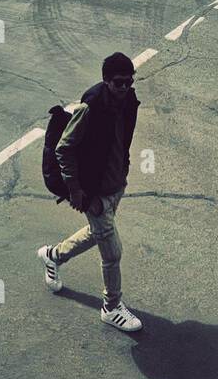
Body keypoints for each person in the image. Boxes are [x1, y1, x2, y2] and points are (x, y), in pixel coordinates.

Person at [37, 53, 142, 331]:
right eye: (118, 83)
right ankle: (111, 306)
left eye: (129, 82)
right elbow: (64, 149)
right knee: (112, 253)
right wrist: (77, 192)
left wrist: (124, 171)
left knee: (98, 234)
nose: (124, 88)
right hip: (94, 193)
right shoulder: (90, 107)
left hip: (116, 184)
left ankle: (53, 255)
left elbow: (122, 139)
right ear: (106, 80)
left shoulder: (128, 100)